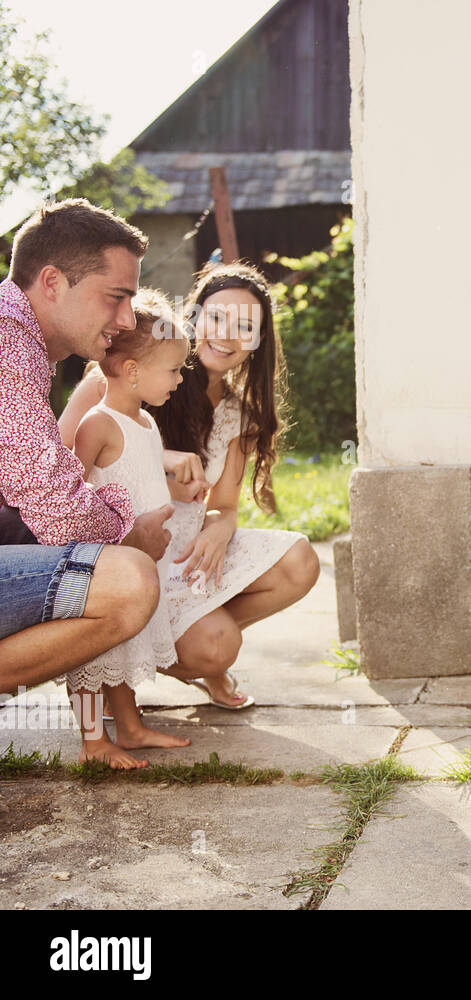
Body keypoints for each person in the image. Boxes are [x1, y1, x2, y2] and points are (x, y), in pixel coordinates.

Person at [61, 262, 319, 708]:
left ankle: (184, 647)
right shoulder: (130, 373)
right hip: (133, 553)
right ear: (194, 317)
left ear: (259, 341)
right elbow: (63, 467)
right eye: (216, 317)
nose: (227, 334)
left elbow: (223, 505)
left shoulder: (240, 413)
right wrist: (161, 464)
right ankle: (162, 658)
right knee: (217, 646)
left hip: (188, 554)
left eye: (245, 326)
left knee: (300, 561)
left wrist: (222, 526)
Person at [0, 199, 174, 699]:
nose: (126, 319)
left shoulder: (22, 342)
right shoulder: (9, 345)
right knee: (128, 581)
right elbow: (58, 512)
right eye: (115, 297)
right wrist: (131, 530)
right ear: (52, 282)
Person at [65, 290, 195, 767]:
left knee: (120, 649)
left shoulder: (144, 420)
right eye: (174, 369)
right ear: (133, 370)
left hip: (141, 561)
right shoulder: (97, 424)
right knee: (92, 653)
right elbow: (70, 496)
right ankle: (92, 741)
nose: (180, 380)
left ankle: (132, 727)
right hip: (104, 559)